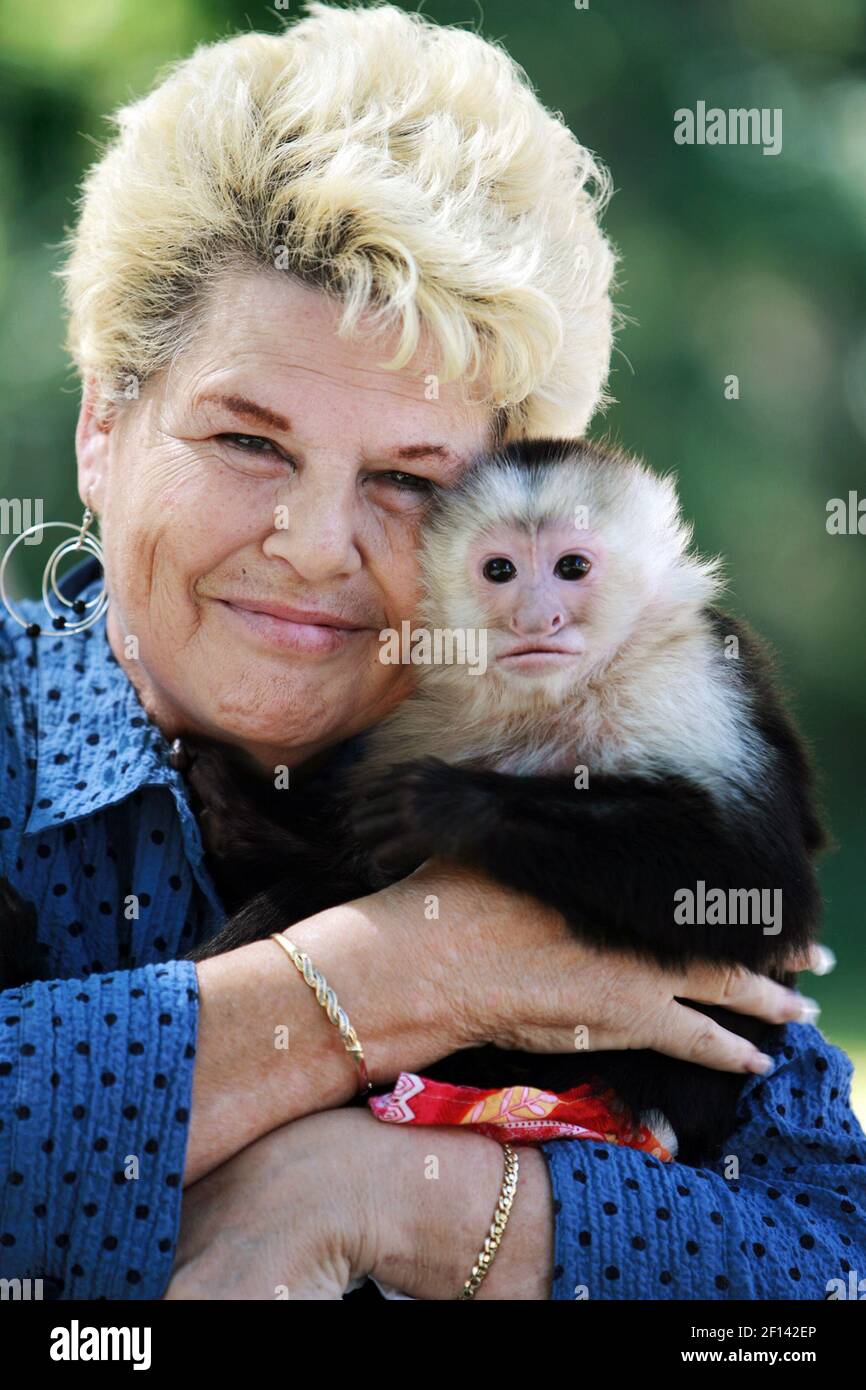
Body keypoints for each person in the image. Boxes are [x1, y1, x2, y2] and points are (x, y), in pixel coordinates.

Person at [0, 3, 860, 1301]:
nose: (311, 543)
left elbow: (830, 1274)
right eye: (247, 441)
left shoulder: (584, 801)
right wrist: (390, 974)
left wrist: (392, 1198)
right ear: (104, 426)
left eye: (409, 479)